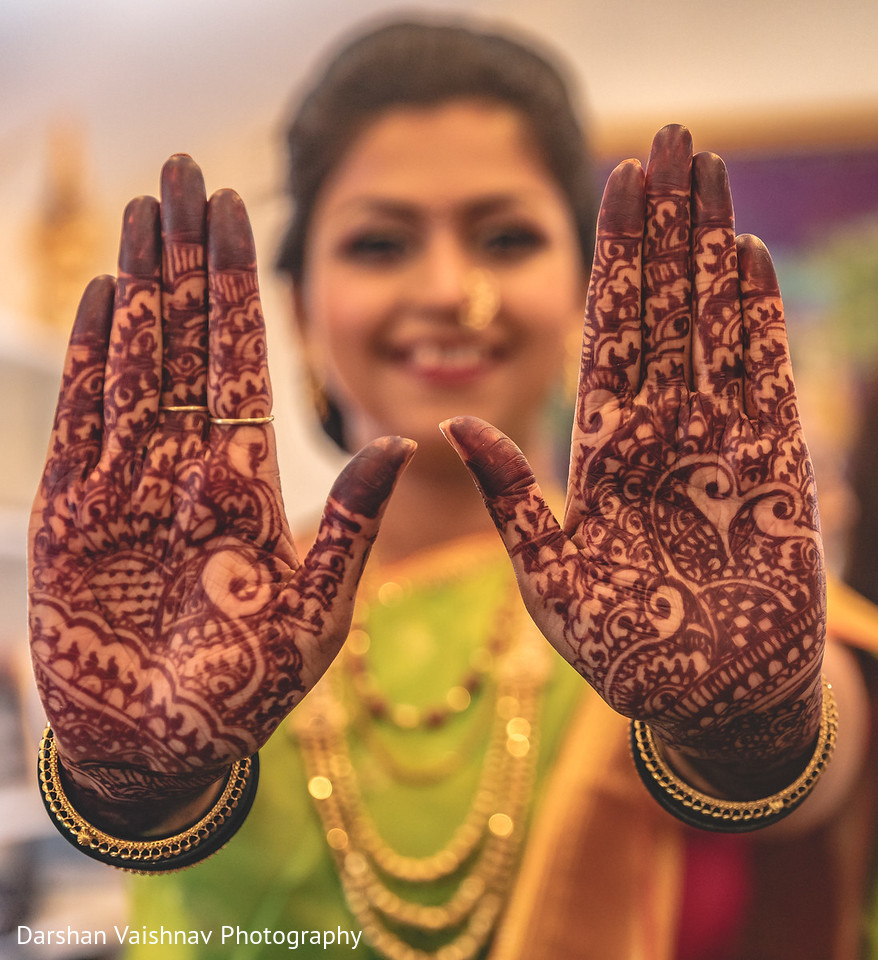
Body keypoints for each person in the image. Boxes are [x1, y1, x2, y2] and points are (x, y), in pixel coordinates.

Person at [27, 17, 878, 960]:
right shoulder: (200, 616)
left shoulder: (697, 589)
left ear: (585, 291)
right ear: (303, 306)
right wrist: (132, 783)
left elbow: (829, 758)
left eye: (506, 238)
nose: (448, 288)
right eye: (381, 245)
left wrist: (750, 733)